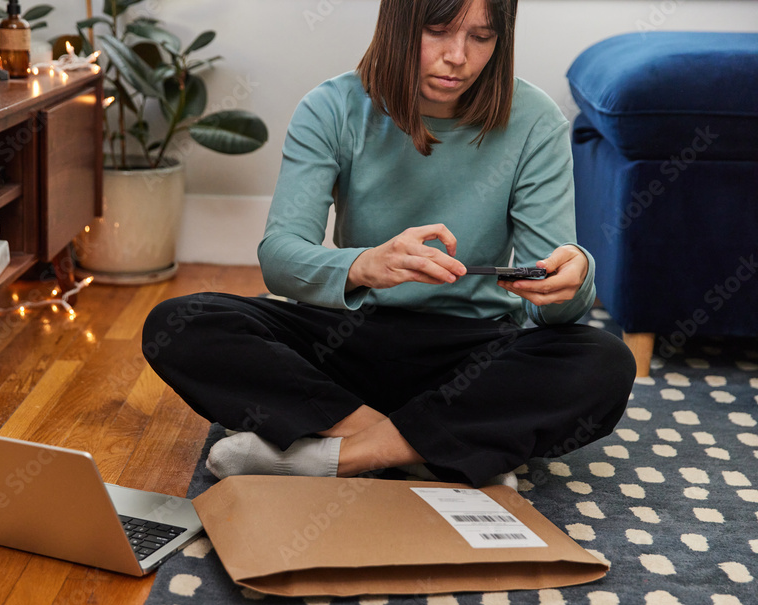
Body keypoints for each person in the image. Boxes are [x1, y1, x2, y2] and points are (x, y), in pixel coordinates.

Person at [142, 0, 636, 488]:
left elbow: (551, 304)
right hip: (346, 340)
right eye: (438, 31)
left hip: (469, 355)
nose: (458, 56)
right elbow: (280, 258)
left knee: (604, 361)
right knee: (178, 323)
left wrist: (574, 276)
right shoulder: (331, 106)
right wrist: (364, 265)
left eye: (481, 37)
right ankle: (437, 448)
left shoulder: (534, 119)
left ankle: (343, 454)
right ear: (398, 23)